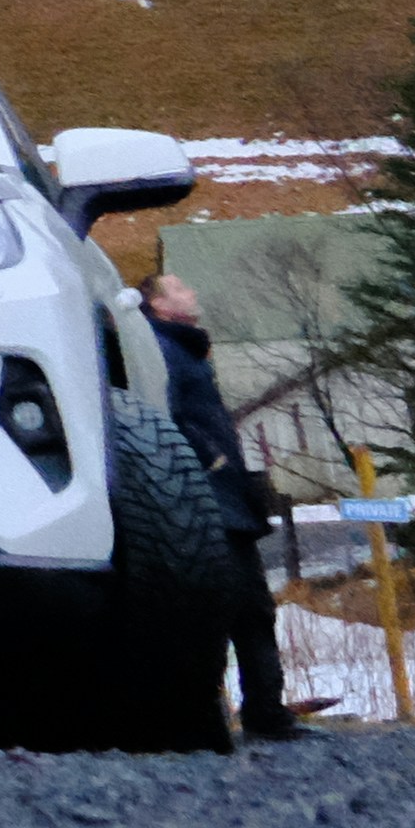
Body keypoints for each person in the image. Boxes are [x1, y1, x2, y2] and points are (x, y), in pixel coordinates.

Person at [147, 271, 309, 739]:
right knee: (223, 610)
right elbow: (164, 413)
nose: (193, 291)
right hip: (207, 505)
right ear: (158, 305)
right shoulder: (161, 351)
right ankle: (216, 717)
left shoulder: (184, 349)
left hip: (225, 503)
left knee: (248, 610)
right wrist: (210, 458)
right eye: (180, 288)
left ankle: (257, 712)